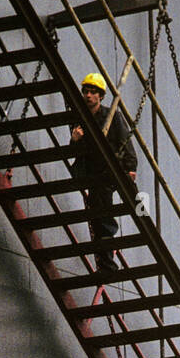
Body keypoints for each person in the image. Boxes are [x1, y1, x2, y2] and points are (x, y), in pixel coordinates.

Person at [69, 71, 137, 273]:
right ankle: (105, 262)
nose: (88, 95)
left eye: (92, 92)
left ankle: (108, 265)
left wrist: (131, 168)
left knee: (103, 217)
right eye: (86, 92)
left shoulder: (111, 115)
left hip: (107, 172)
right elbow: (72, 152)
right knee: (98, 216)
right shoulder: (79, 119)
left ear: (100, 96)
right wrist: (74, 140)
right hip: (89, 173)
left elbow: (126, 141)